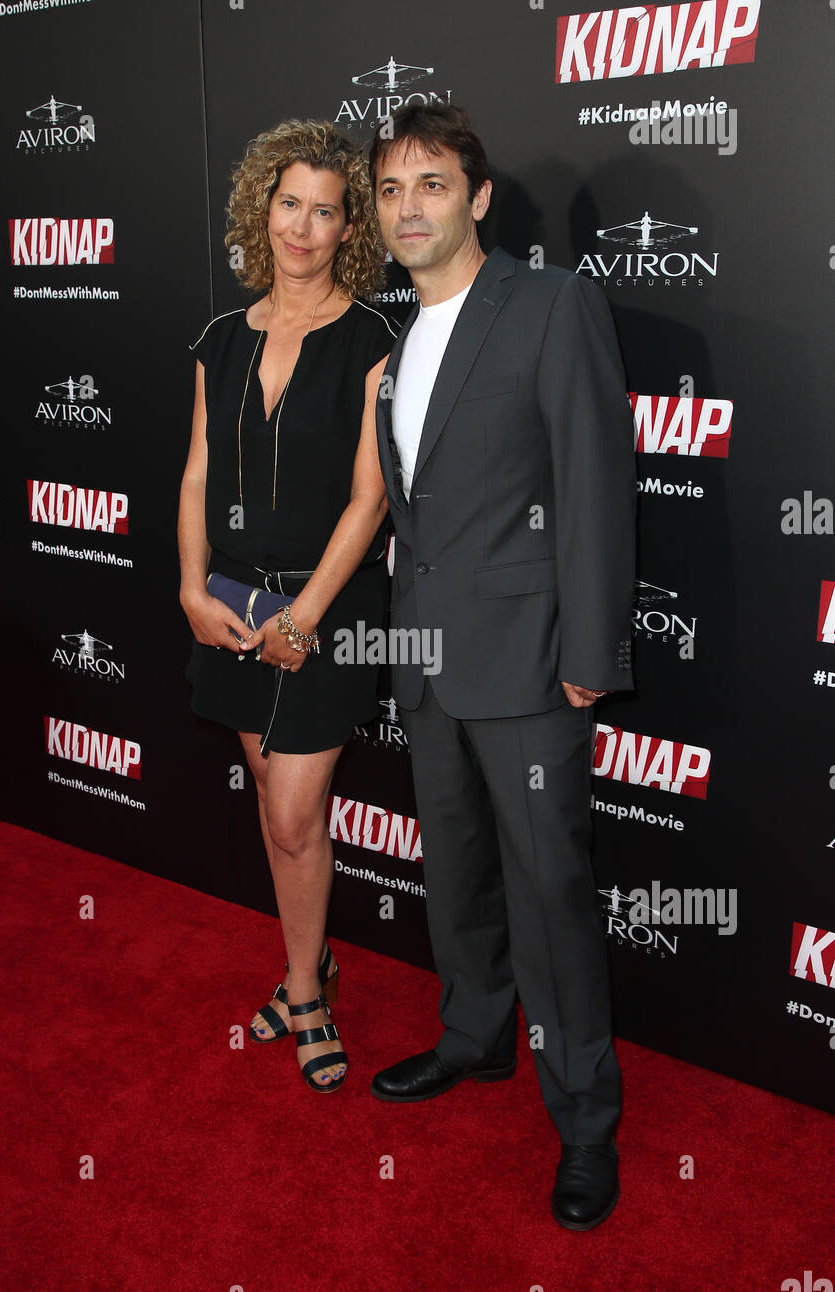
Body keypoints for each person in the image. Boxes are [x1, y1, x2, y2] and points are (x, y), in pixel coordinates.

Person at [368, 103, 636, 1229]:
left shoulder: (550, 303)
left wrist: (589, 653)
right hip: (427, 665)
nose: (408, 207)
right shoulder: (397, 338)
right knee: (459, 875)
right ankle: (476, 1036)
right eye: (390, 191)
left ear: (477, 200)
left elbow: (593, 483)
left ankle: (585, 1120)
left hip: (530, 668)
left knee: (551, 899)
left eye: (431, 184)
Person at [178, 118, 399, 1093]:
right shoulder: (222, 339)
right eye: (288, 204)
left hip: (331, 608)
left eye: (324, 210)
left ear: (348, 225)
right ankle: (308, 964)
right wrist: (190, 587)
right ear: (259, 209)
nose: (302, 228)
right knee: (276, 813)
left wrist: (306, 614)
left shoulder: (372, 338)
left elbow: (373, 496)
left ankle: (305, 991)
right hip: (230, 604)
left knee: (297, 810)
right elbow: (193, 479)